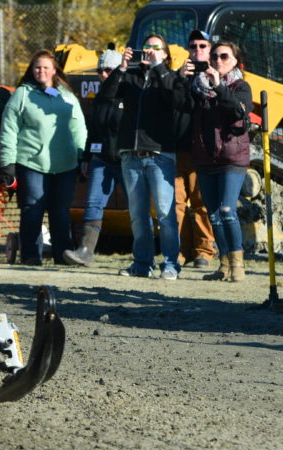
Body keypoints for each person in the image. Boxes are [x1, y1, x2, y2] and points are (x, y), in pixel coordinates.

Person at [100, 33, 186, 280]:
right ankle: (142, 264)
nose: (148, 51)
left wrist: (159, 67)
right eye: (146, 47)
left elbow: (176, 99)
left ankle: (170, 264)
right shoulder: (131, 76)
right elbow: (106, 96)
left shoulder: (170, 77)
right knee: (137, 214)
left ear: (165, 54)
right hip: (131, 155)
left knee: (165, 213)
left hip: (159, 156)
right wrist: (121, 67)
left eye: (155, 48)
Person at [0, 50, 87, 265]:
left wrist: (82, 157)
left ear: (54, 71)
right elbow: (8, 130)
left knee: (60, 212)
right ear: (32, 70)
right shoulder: (22, 95)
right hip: (31, 163)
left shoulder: (67, 96)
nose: (41, 71)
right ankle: (30, 256)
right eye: (37, 67)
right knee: (32, 210)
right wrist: (7, 163)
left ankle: (63, 255)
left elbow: (79, 129)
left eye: (46, 67)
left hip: (65, 164)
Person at [189, 40, 252, 282]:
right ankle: (224, 264)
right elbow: (183, 108)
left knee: (227, 210)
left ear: (235, 60)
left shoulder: (241, 86)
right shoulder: (198, 87)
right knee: (213, 215)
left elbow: (238, 111)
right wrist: (183, 79)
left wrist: (218, 86)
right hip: (206, 158)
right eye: (214, 56)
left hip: (232, 158)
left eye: (224, 56)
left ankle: (238, 264)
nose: (218, 60)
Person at [63, 47, 125, 267]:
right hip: (101, 159)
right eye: (101, 70)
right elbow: (93, 131)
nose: (104, 75)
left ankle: (144, 255)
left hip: (126, 160)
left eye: (109, 70)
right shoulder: (99, 99)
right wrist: (88, 158)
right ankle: (86, 251)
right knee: (93, 203)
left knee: (138, 207)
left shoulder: (130, 95)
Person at [174, 30, 216, 269]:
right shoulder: (179, 76)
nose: (197, 50)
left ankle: (203, 250)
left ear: (209, 49)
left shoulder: (216, 74)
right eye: (193, 46)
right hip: (179, 147)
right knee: (175, 205)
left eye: (202, 45)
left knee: (201, 204)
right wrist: (180, 78)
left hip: (203, 149)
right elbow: (173, 101)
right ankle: (180, 249)